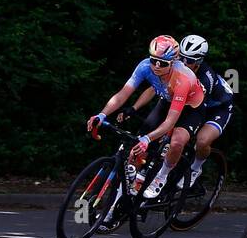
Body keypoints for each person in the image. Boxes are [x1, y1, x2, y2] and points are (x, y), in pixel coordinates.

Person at [87, 35, 206, 199]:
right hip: (167, 100)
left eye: (162, 63)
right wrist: (102, 114)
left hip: (191, 108)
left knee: (177, 141)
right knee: (137, 146)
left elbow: (170, 121)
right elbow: (122, 95)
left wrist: (148, 139)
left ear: (173, 62)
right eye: (153, 60)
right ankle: (122, 198)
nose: (156, 66)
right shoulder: (144, 66)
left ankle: (161, 177)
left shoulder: (183, 78)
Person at [175, 34, 234, 187]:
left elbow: (195, 108)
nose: (183, 62)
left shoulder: (206, 78)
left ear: (199, 61)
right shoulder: (177, 66)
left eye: (189, 60)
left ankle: (196, 167)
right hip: (198, 104)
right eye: (181, 57)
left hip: (218, 108)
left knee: (202, 140)